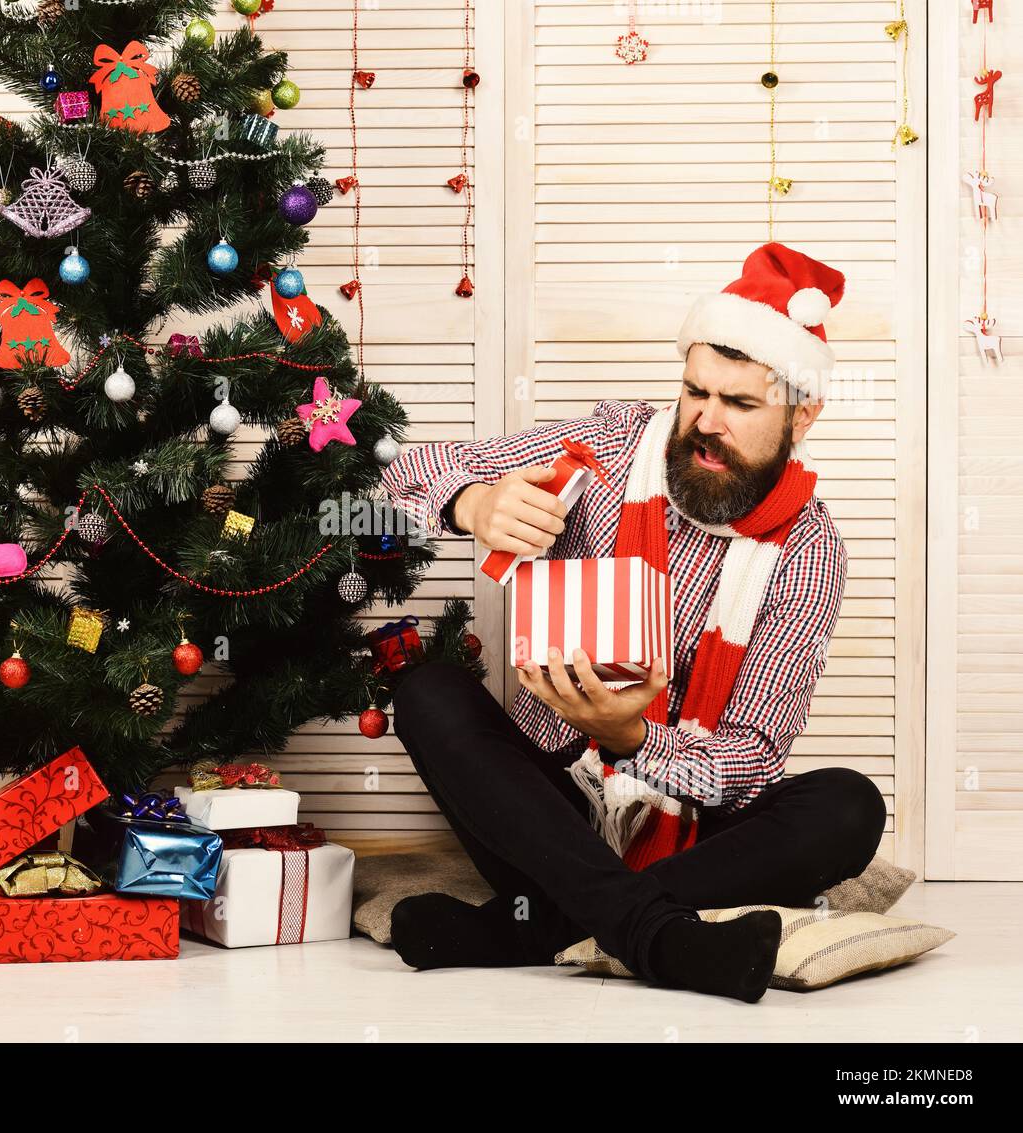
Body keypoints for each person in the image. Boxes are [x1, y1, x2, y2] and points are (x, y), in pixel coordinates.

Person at [379, 243, 887, 1003]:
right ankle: (668, 937)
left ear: (801, 414)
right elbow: (400, 473)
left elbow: (749, 758)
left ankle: (526, 929)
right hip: (550, 803)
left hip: (692, 822)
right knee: (427, 691)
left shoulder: (810, 551)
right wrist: (473, 504)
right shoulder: (613, 447)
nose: (706, 422)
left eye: (741, 405)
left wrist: (634, 737)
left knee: (849, 805)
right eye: (695, 392)